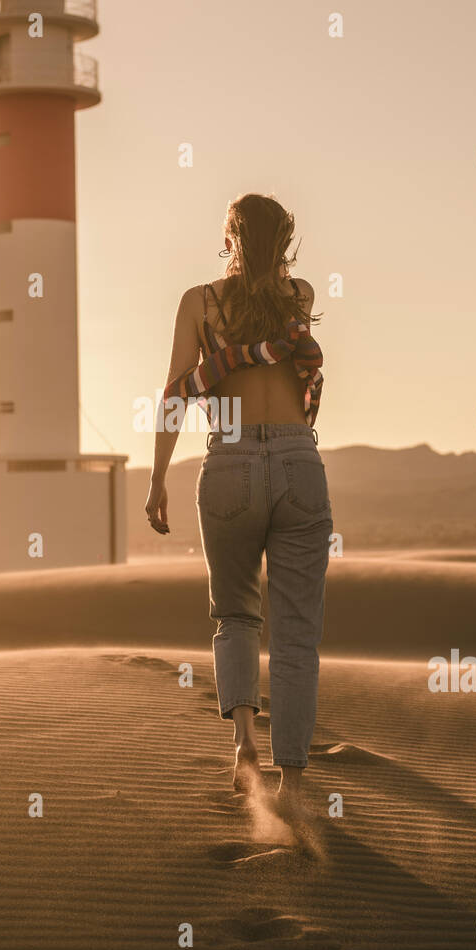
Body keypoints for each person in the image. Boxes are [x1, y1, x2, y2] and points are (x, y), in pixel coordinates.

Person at [145, 193, 332, 817]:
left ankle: (244, 743)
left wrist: (158, 477)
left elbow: (175, 391)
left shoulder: (197, 302)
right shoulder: (298, 297)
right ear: (284, 243)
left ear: (229, 238)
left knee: (235, 614)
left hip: (226, 465)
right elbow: (295, 356)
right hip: (298, 461)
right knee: (297, 630)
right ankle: (295, 785)